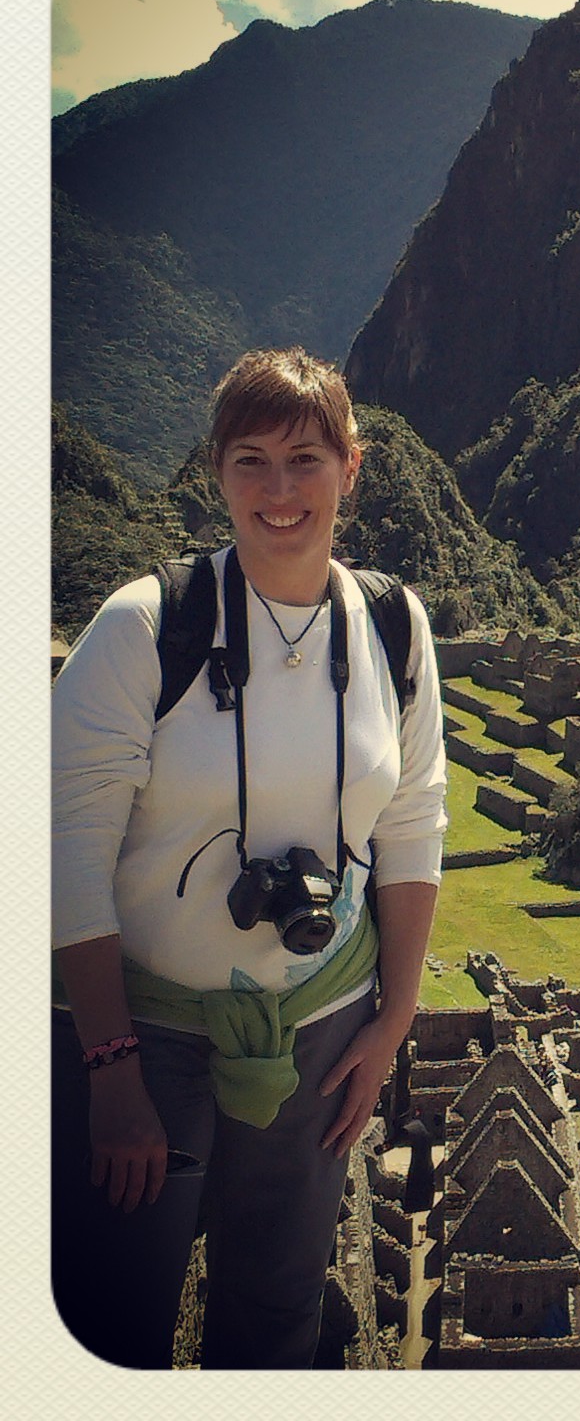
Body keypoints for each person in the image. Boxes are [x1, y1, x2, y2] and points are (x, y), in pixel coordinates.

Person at [51, 347, 448, 1368]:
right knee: (109, 1312)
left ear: (351, 467)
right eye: (252, 461)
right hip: (147, 1031)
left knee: (276, 1312)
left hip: (319, 1030)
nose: (281, 490)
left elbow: (412, 824)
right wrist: (109, 1067)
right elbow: (62, 847)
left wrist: (394, 1015)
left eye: (307, 459)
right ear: (215, 471)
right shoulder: (146, 628)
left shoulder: (394, 630)